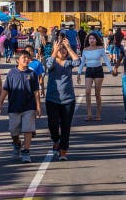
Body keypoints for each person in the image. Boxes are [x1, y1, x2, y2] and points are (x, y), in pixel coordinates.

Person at [0, 50, 41, 163]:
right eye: (24, 58)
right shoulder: (11, 73)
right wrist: (0, 103)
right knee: (13, 131)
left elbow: (36, 91)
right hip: (14, 107)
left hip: (29, 107)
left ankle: (26, 151)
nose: (26, 59)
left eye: (28, 57)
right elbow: (6, 89)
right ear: (17, 60)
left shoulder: (32, 74)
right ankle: (17, 144)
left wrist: (38, 106)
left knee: (28, 130)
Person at [45, 33, 81, 161]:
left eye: (64, 49)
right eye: (61, 49)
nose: (63, 51)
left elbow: (78, 61)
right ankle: (56, 140)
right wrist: (55, 50)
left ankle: (63, 150)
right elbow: (48, 65)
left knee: (66, 126)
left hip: (68, 100)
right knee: (52, 124)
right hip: (52, 99)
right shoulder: (52, 62)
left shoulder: (68, 63)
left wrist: (69, 47)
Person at [76, 32, 113, 121]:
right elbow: (82, 62)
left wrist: (111, 70)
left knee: (97, 93)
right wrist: (79, 73)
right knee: (87, 92)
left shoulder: (100, 49)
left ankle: (98, 115)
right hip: (89, 71)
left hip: (98, 71)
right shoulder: (85, 50)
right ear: (88, 40)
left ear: (96, 40)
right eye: (90, 39)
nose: (91, 40)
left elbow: (106, 60)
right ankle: (89, 114)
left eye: (93, 38)